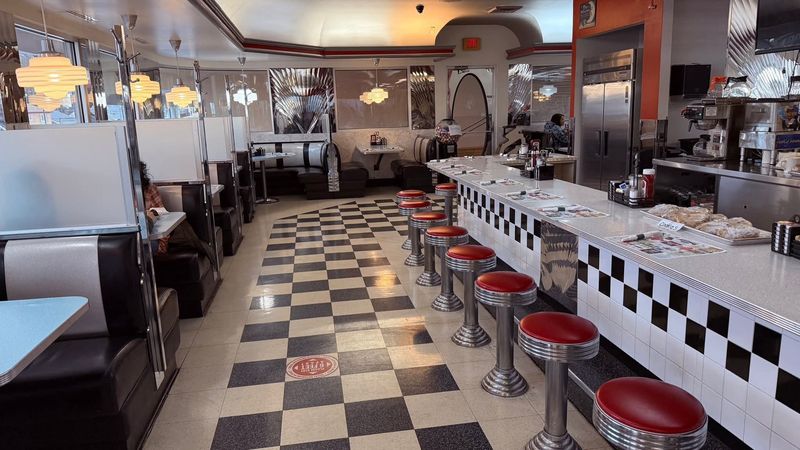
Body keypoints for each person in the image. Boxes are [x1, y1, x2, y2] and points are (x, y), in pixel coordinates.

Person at [140, 162, 213, 260]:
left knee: (143, 250)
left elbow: (163, 221)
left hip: (151, 241)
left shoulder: (149, 190)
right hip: (135, 243)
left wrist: (162, 246)